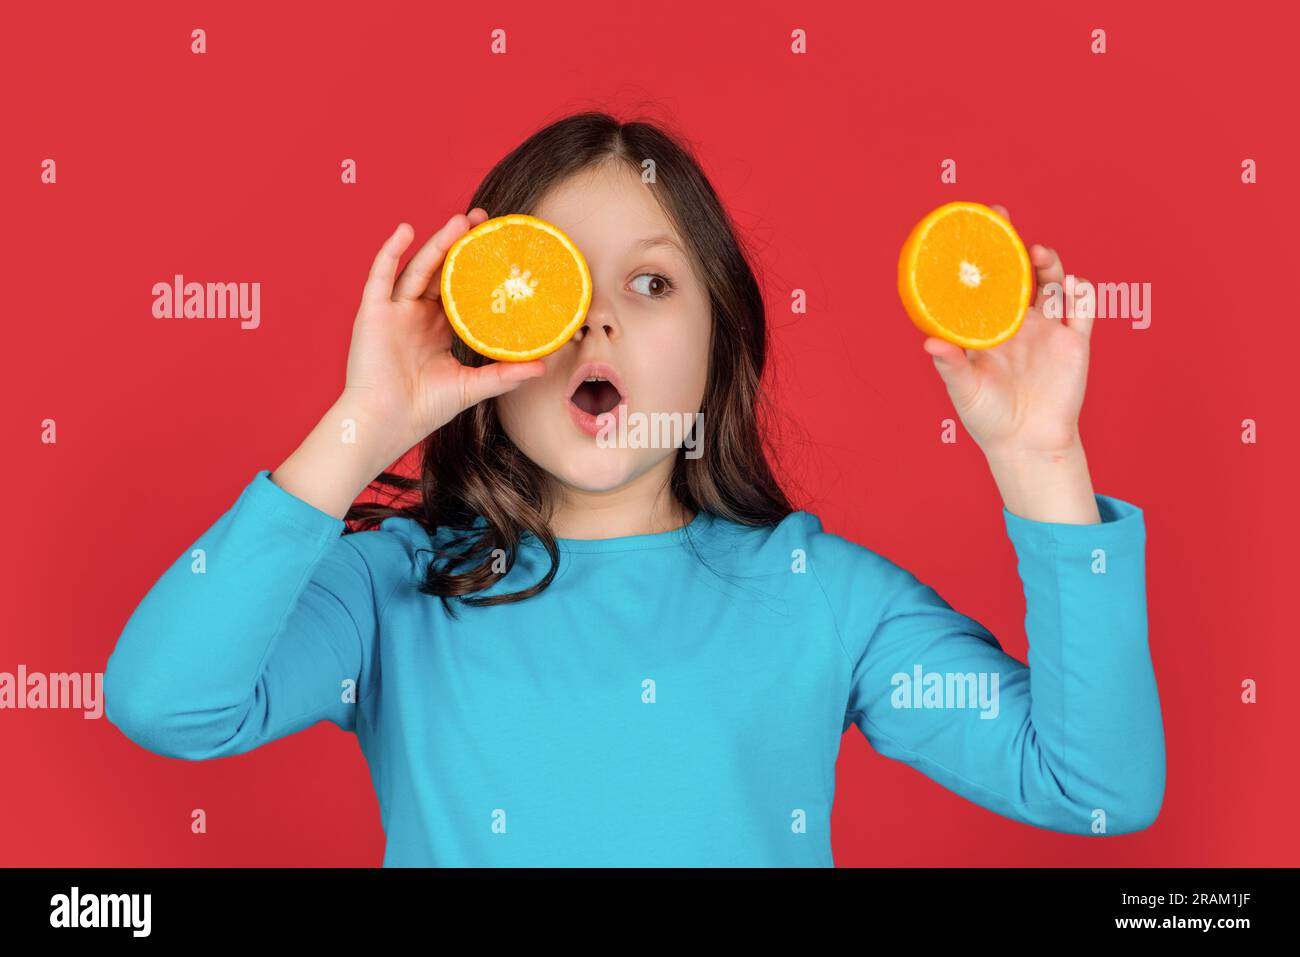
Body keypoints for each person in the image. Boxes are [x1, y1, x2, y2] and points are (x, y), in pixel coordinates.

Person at [103, 111, 1165, 866]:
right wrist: (363, 423)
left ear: (718, 341)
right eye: (550, 281)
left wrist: (1041, 463)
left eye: (650, 284)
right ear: (483, 338)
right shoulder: (396, 591)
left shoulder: (822, 597)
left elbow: (1096, 793)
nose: (596, 321)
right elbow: (167, 703)